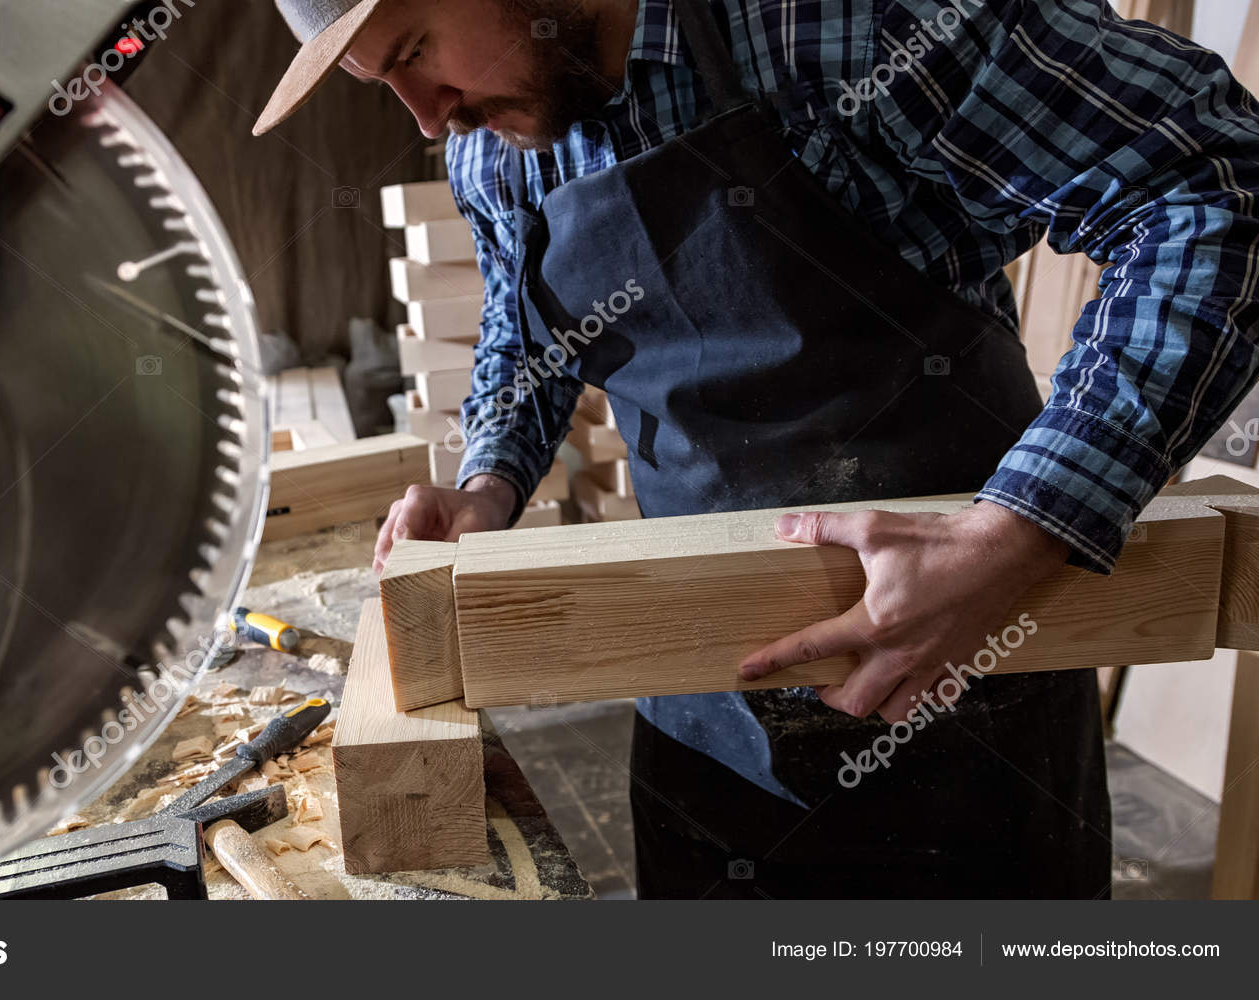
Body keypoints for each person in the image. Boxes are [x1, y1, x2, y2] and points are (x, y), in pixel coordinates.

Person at [253, 0, 1259, 897]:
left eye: (417, 49)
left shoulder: (835, 24)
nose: (425, 115)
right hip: (707, 704)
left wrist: (1023, 526)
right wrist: (487, 480)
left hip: (964, 679)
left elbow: (1213, 184)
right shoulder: (496, 142)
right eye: (382, 82)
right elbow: (527, 335)